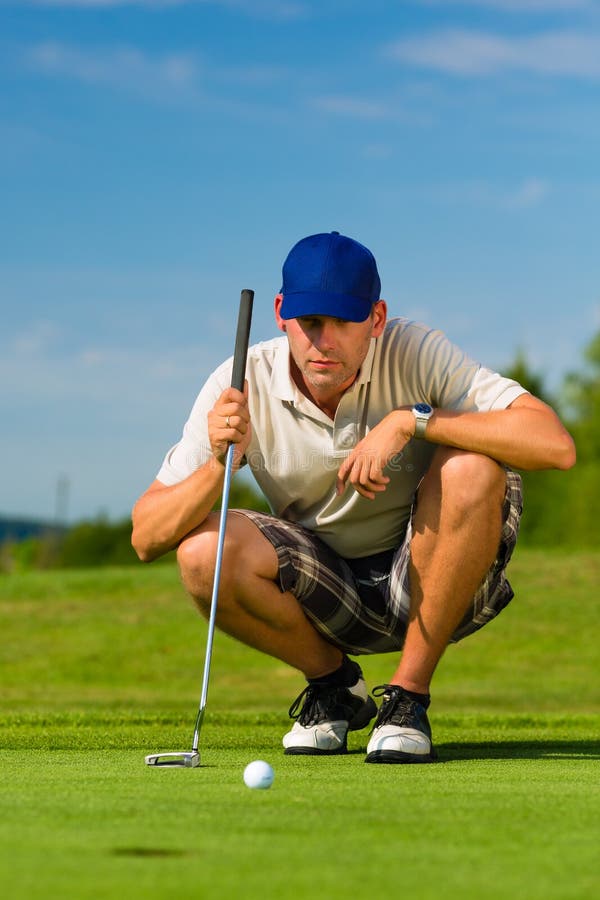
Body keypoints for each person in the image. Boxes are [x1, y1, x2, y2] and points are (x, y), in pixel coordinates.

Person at [132, 231, 576, 764]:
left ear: (377, 318)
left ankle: (408, 698)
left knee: (473, 468)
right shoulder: (241, 379)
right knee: (202, 553)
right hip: (322, 592)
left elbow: (554, 445)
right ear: (280, 313)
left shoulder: (414, 350)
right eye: (310, 322)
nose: (324, 342)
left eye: (344, 321)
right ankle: (335, 686)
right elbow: (146, 537)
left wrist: (411, 421)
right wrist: (218, 463)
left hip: (432, 578)